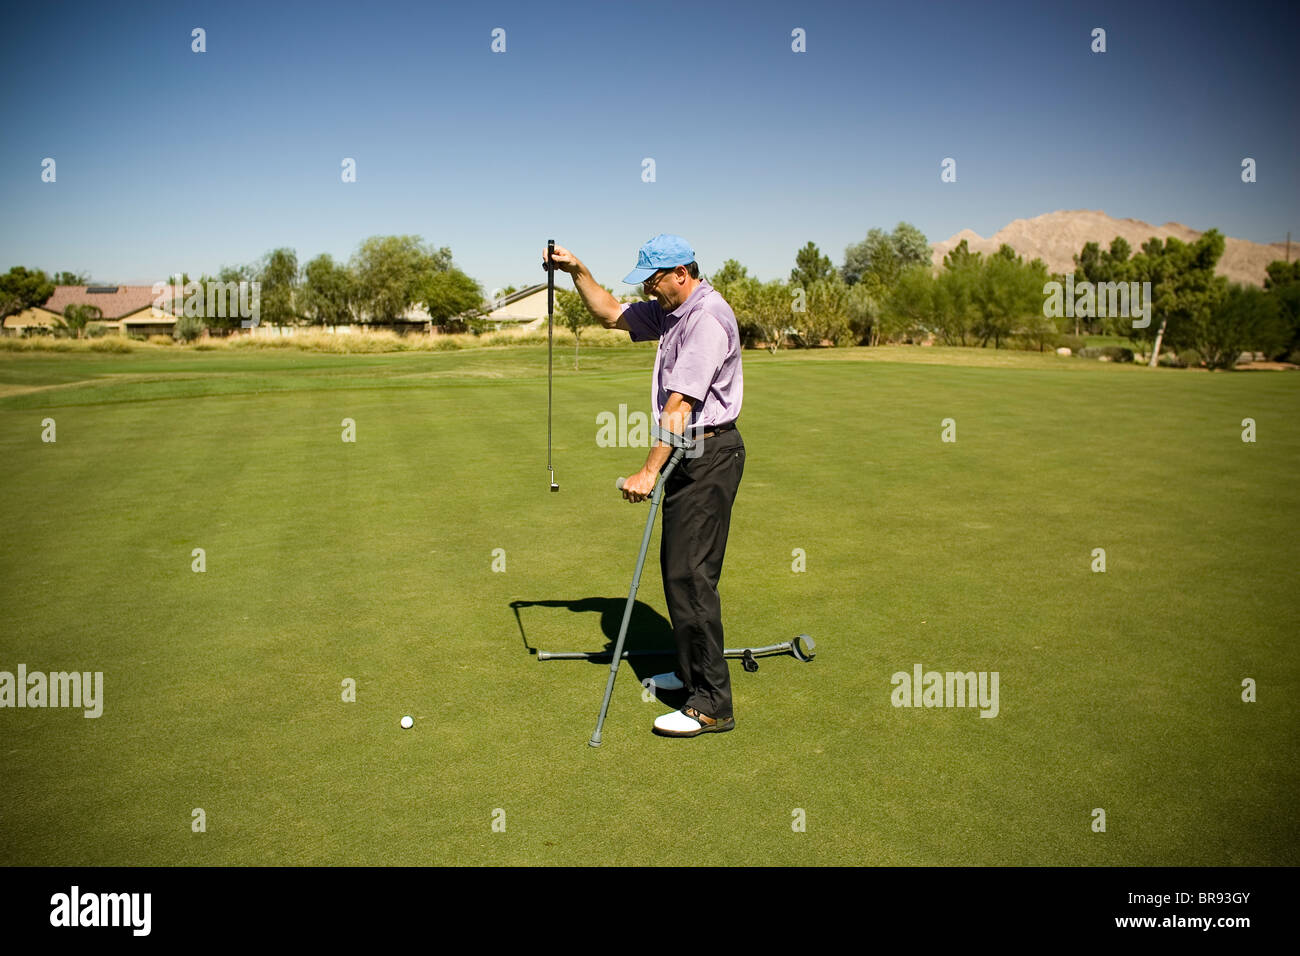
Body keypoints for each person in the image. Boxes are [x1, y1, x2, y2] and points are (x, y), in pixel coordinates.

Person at [544, 234, 745, 737]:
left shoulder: (704, 319)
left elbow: (680, 407)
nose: (650, 291)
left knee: (690, 577)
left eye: (655, 281)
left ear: (681, 272)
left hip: (708, 451)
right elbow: (611, 314)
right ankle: (689, 673)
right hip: (690, 453)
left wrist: (648, 469)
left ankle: (712, 704)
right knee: (678, 570)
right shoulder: (672, 311)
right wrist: (577, 270)